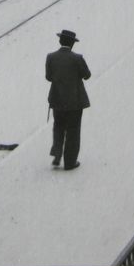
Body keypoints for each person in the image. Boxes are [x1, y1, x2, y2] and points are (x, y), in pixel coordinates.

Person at [46, 29, 91, 170]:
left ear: (60, 41)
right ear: (72, 44)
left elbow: (48, 77)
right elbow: (87, 75)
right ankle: (70, 162)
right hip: (75, 101)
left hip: (57, 99)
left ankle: (57, 154)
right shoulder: (77, 58)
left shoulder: (51, 57)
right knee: (73, 130)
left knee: (58, 127)